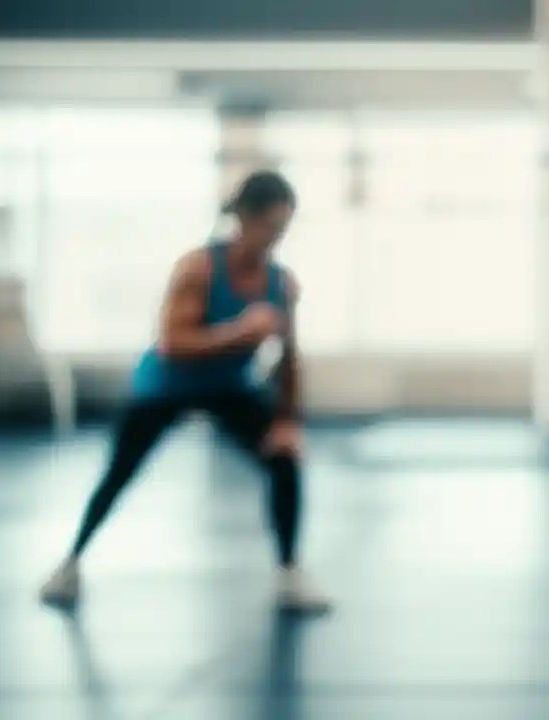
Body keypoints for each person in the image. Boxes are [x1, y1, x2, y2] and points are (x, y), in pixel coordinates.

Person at [38, 169, 331, 614]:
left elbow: (289, 357)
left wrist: (287, 421)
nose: (276, 237)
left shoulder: (280, 284)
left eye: (283, 228)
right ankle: (69, 564)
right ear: (245, 218)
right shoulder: (198, 268)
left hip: (229, 386)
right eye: (270, 225)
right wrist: (239, 332)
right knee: (119, 472)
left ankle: (290, 572)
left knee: (284, 459)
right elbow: (174, 343)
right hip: (167, 385)